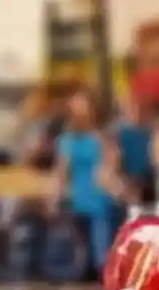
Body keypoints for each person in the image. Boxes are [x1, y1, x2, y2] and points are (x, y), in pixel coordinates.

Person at [53, 91, 114, 279]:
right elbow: (62, 171)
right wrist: (57, 196)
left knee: (100, 227)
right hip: (77, 194)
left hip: (97, 192)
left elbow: (109, 165)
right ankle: (83, 267)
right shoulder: (66, 140)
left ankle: (100, 266)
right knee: (79, 237)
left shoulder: (101, 138)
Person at [113, 96, 155, 204]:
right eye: (133, 110)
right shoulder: (121, 134)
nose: (137, 113)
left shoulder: (151, 132)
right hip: (130, 179)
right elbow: (117, 160)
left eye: (141, 110)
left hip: (149, 179)